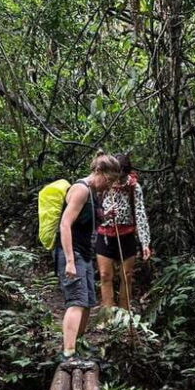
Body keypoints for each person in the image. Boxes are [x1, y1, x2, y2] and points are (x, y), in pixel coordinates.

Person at [56, 153, 121, 360]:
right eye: (108, 181)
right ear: (99, 172)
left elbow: (86, 221)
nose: (108, 186)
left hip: (84, 254)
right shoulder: (81, 190)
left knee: (87, 301)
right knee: (76, 301)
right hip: (71, 253)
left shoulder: (93, 193)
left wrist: (106, 217)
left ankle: (78, 345)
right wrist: (70, 261)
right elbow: (65, 224)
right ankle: (67, 352)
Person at [95, 153, 151, 313]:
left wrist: (145, 242)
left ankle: (124, 313)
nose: (117, 179)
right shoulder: (103, 184)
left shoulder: (133, 187)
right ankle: (108, 315)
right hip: (105, 234)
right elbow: (93, 209)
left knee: (126, 276)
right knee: (105, 275)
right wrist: (103, 214)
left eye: (121, 175)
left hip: (126, 235)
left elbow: (140, 214)